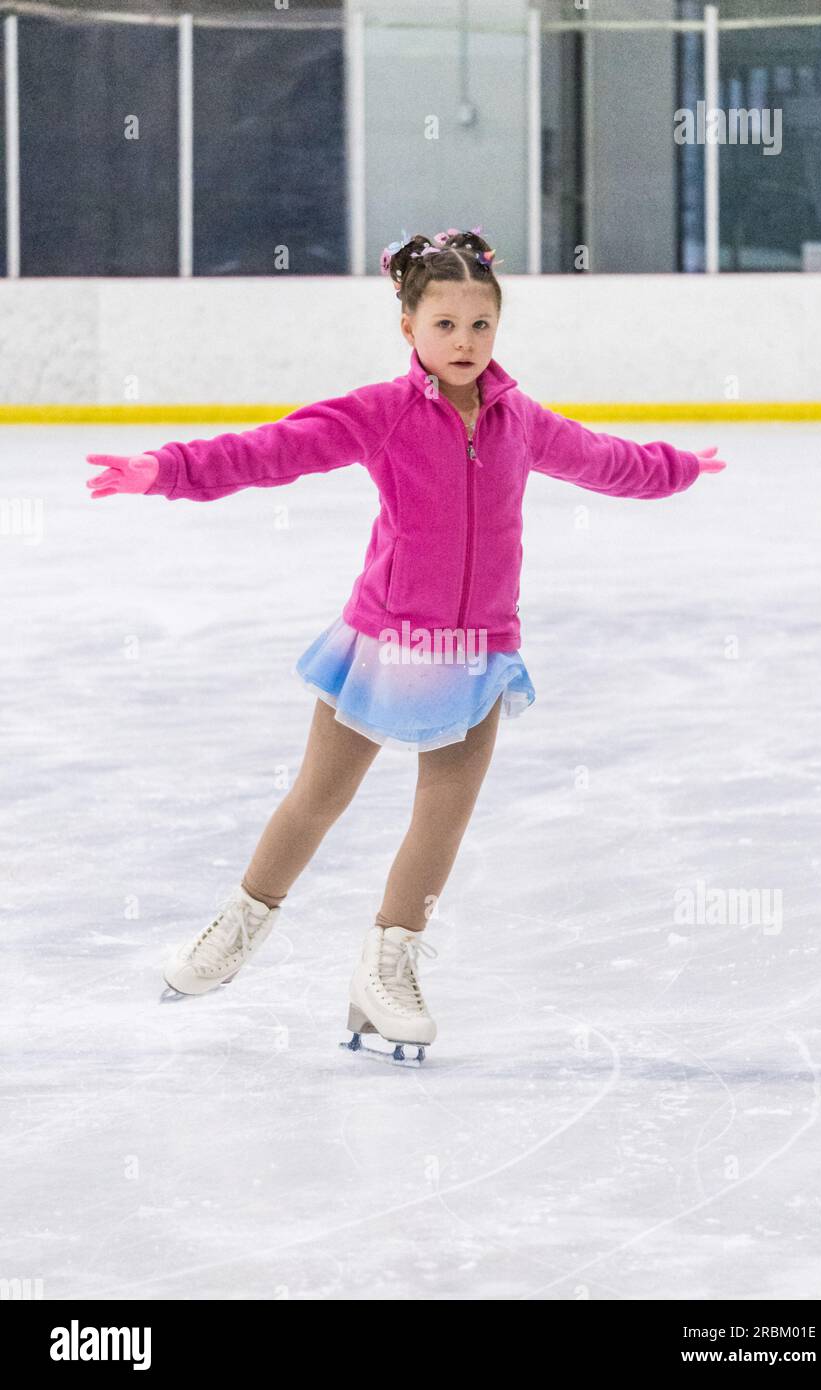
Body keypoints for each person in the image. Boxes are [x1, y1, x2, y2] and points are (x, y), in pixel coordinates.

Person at [84, 225, 727, 1064]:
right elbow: (271, 449)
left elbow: (605, 459)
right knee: (318, 797)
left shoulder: (519, 420)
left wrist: (676, 466)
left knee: (442, 817)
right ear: (410, 330)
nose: (464, 343)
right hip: (386, 640)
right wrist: (166, 470)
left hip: (479, 651)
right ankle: (240, 924)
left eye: (481, 326)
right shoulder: (381, 414)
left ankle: (385, 967)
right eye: (446, 326)